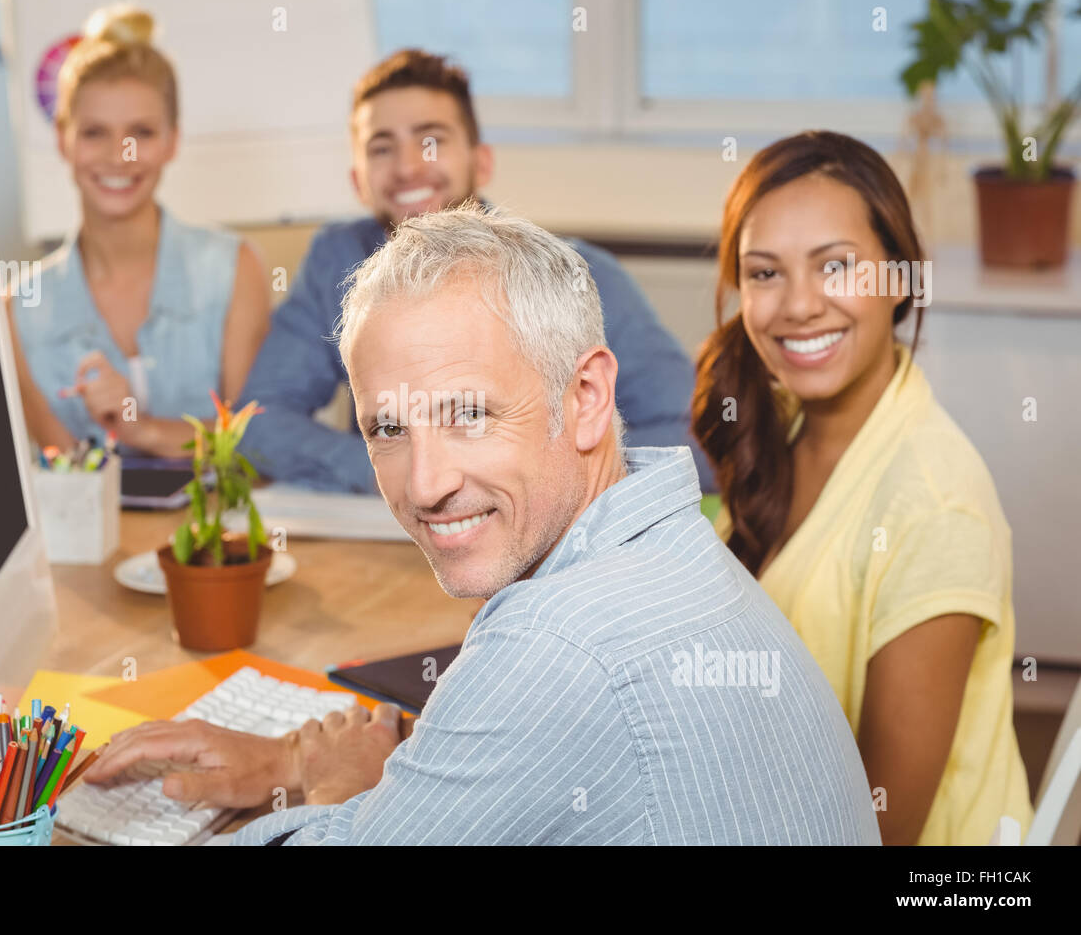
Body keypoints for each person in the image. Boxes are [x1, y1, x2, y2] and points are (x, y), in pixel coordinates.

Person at [85, 203, 879, 845]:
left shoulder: (560, 642)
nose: (426, 485)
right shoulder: (662, 544)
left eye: (468, 414)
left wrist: (331, 788)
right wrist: (289, 757)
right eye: (386, 429)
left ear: (587, 398)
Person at [691, 131, 1033, 845]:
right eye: (765, 273)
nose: (799, 306)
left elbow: (879, 830)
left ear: (901, 278)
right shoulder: (779, 424)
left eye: (836, 267)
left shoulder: (936, 509)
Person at [234, 49, 710, 493]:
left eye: (430, 141)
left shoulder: (582, 275)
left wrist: (529, 480)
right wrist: (399, 474)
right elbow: (257, 420)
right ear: (358, 182)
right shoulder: (335, 258)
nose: (406, 167)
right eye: (381, 148)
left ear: (480, 162)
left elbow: (694, 441)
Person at [9, 5, 271, 456]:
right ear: (62, 140)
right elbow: (70, 480)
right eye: (94, 133)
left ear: (172, 140)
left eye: (142, 133)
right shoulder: (19, 311)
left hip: (217, 528)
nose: (119, 155)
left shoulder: (233, 269)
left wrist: (142, 429)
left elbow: (257, 444)